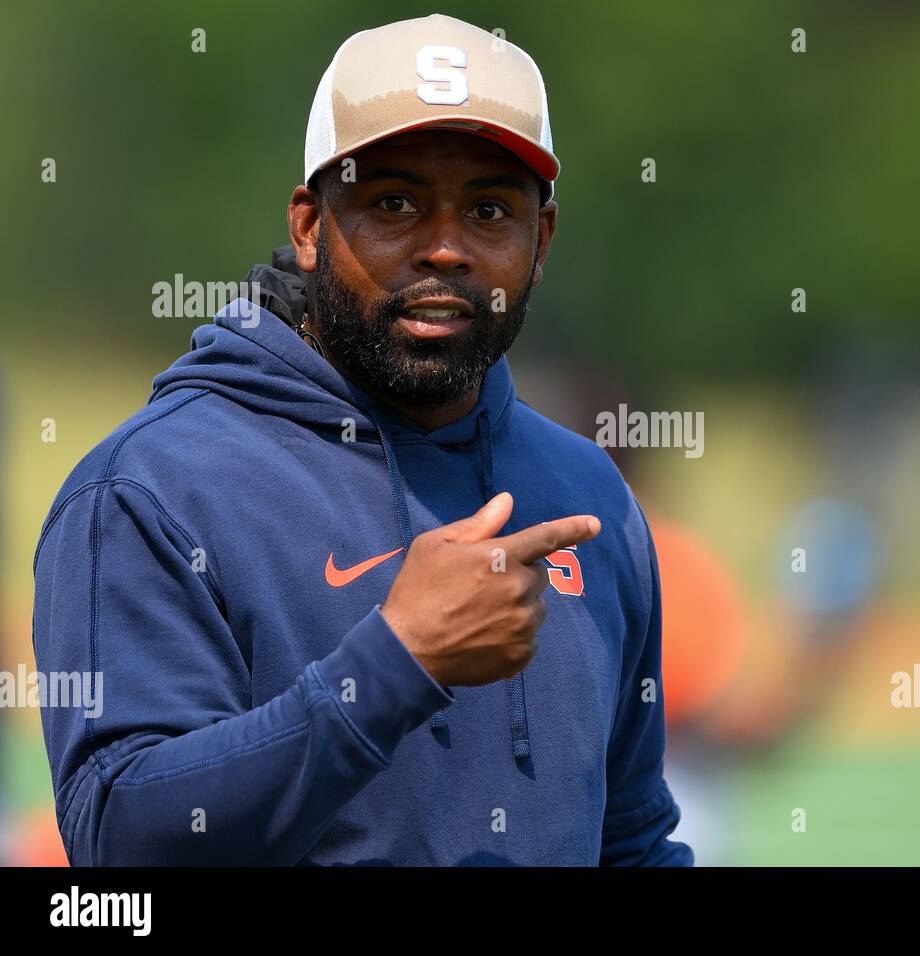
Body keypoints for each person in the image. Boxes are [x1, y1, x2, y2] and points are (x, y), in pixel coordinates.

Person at [31, 13, 692, 866]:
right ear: (310, 227)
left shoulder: (588, 493)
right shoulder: (150, 489)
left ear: (542, 243)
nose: (446, 248)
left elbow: (631, 841)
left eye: (489, 208)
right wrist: (392, 667)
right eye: (395, 203)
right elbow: (121, 849)